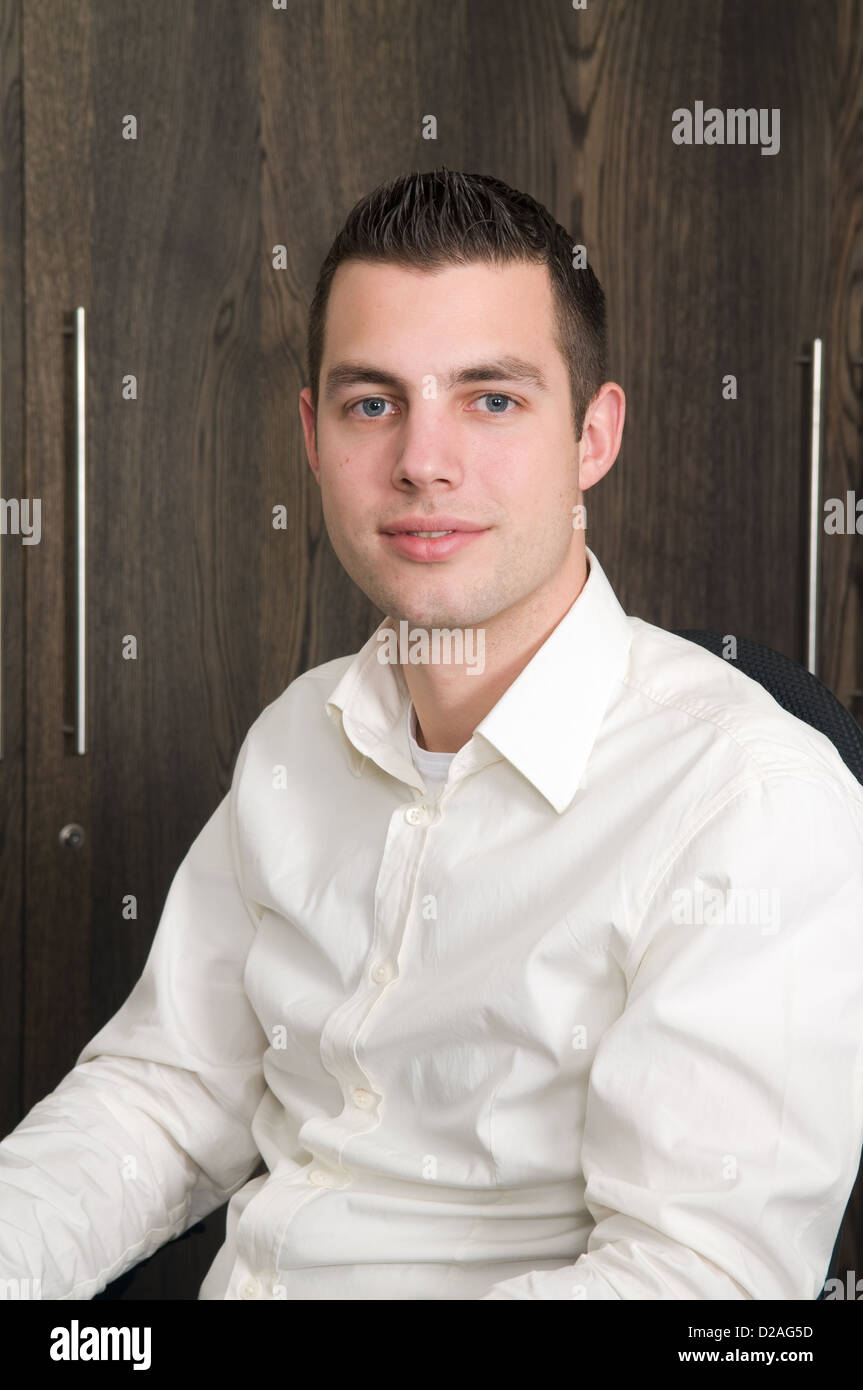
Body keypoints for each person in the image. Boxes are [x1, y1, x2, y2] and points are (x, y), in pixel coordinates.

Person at [2, 168, 862, 1301]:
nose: (421, 462)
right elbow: (158, 1099)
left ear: (593, 436)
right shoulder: (296, 738)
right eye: (372, 402)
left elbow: (697, 1284)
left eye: (490, 399)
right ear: (312, 436)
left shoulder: (751, 803)